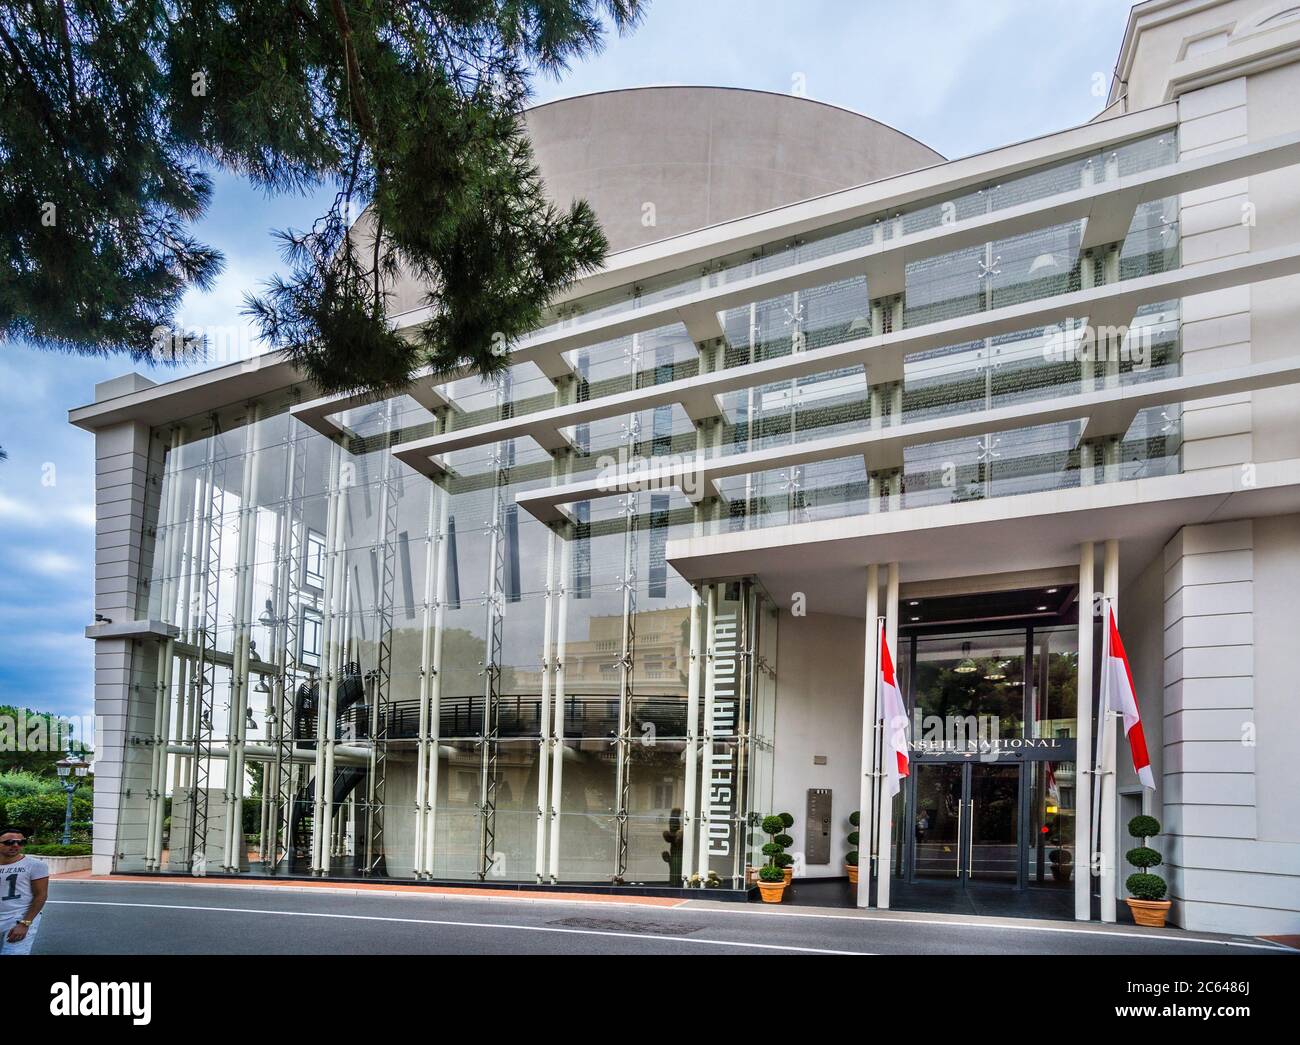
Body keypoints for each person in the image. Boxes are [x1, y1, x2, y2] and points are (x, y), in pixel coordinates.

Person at [0, 828, 48, 956]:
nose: (15, 845)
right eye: (9, 842)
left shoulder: (35, 865)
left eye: (20, 842)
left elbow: (41, 895)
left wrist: (25, 924)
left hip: (19, 917)